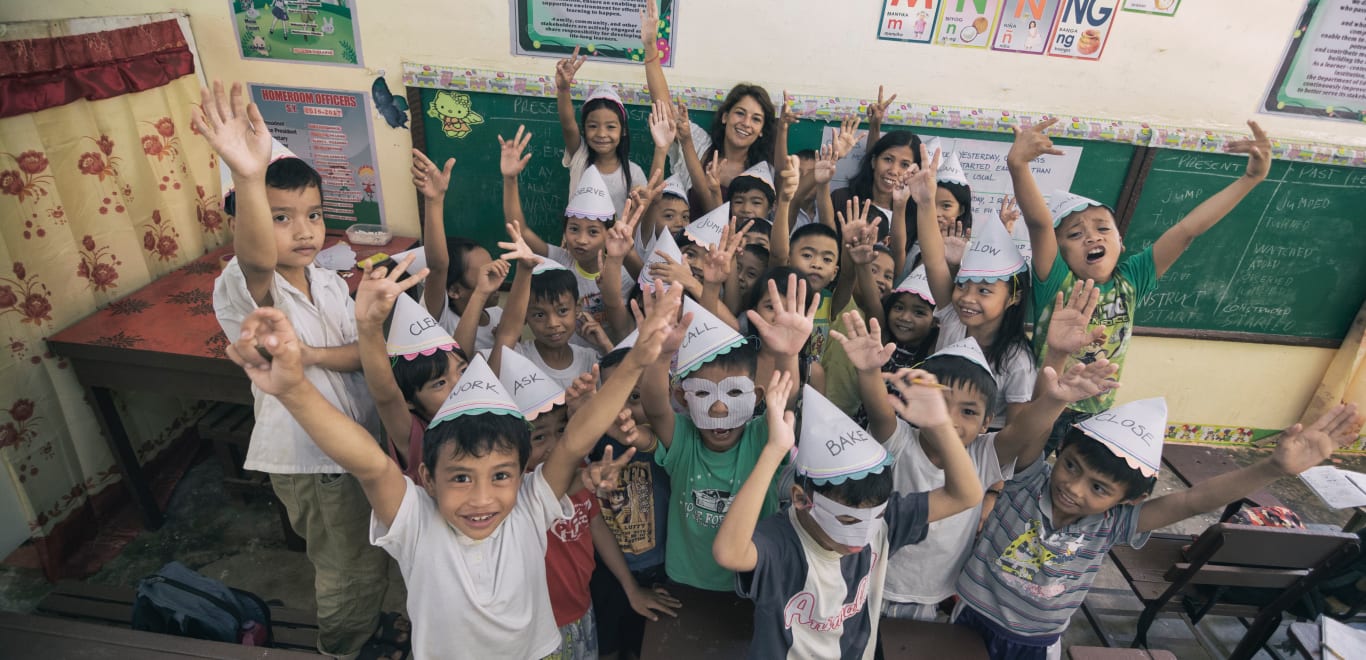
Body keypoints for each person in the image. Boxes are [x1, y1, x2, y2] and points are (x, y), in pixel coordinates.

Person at [225, 275, 686, 659]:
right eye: (461, 477)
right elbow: (366, 461)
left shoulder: (528, 505)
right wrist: (293, 390)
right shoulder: (416, 521)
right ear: (426, 478)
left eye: (501, 475)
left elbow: (575, 441)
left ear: (522, 470)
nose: (482, 498)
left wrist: (639, 361)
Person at [953, 281, 1365, 659]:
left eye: (1098, 487)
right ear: (1059, 454)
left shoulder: (1113, 524)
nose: (1074, 488)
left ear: (1129, 499)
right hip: (970, 616)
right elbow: (1033, 426)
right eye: (1071, 466)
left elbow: (1193, 499)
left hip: (1035, 643)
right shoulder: (1029, 480)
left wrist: (1272, 467)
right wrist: (1057, 356)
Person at [198, 80, 396, 659]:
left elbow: (362, 353)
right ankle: (343, 648)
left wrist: (311, 355)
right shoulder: (248, 287)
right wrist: (247, 175)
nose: (304, 230)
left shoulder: (330, 280)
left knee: (371, 552)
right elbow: (256, 255)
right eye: (282, 218)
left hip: (359, 442)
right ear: (249, 221)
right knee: (346, 567)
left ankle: (365, 630)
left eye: (312, 214)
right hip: (316, 460)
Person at [1008, 118, 1273, 449]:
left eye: (1103, 229)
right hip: (1047, 404)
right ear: (1059, 250)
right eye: (1075, 234)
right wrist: (1018, 165)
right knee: (1024, 475)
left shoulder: (1133, 277)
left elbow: (1187, 230)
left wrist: (1250, 179)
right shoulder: (1056, 281)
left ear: (1120, 240)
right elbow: (1039, 223)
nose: (1091, 236)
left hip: (1098, 409)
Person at [712, 366, 982, 658]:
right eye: (847, 520)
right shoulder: (782, 543)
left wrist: (940, 424)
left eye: (874, 517)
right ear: (802, 500)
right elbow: (729, 553)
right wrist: (774, 450)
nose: (864, 535)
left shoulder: (883, 524)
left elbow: (965, 494)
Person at [640, 275, 816, 592]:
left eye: (734, 394)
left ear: (757, 398)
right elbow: (654, 406)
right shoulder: (683, 440)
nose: (719, 410)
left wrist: (789, 354)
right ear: (683, 398)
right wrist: (661, 355)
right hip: (686, 579)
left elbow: (786, 399)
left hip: (749, 579)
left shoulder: (762, 440)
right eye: (704, 394)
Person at [916, 145, 1035, 430]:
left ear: (1014, 297)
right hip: (932, 432)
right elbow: (934, 262)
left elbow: (1016, 432)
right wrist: (924, 202)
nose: (966, 298)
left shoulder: (1017, 361)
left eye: (984, 290)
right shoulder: (954, 319)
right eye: (962, 285)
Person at [500, 125, 643, 354]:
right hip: (573, 361)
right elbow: (520, 231)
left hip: (613, 357)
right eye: (574, 229)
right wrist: (510, 179)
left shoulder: (623, 270)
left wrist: (625, 255)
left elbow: (647, 283)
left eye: (593, 232)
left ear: (609, 233)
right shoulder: (560, 260)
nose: (581, 240)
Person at [355, 254, 470, 482]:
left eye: (463, 371)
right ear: (408, 399)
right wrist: (369, 327)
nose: (459, 386)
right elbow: (386, 396)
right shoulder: (415, 436)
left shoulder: (488, 411)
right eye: (439, 383)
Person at [554, 49, 646, 219]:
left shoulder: (634, 173)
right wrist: (563, 88)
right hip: (578, 244)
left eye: (611, 127)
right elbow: (568, 124)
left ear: (623, 130)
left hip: (616, 245)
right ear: (584, 129)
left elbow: (641, 217)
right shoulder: (580, 157)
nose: (602, 134)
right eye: (593, 126)